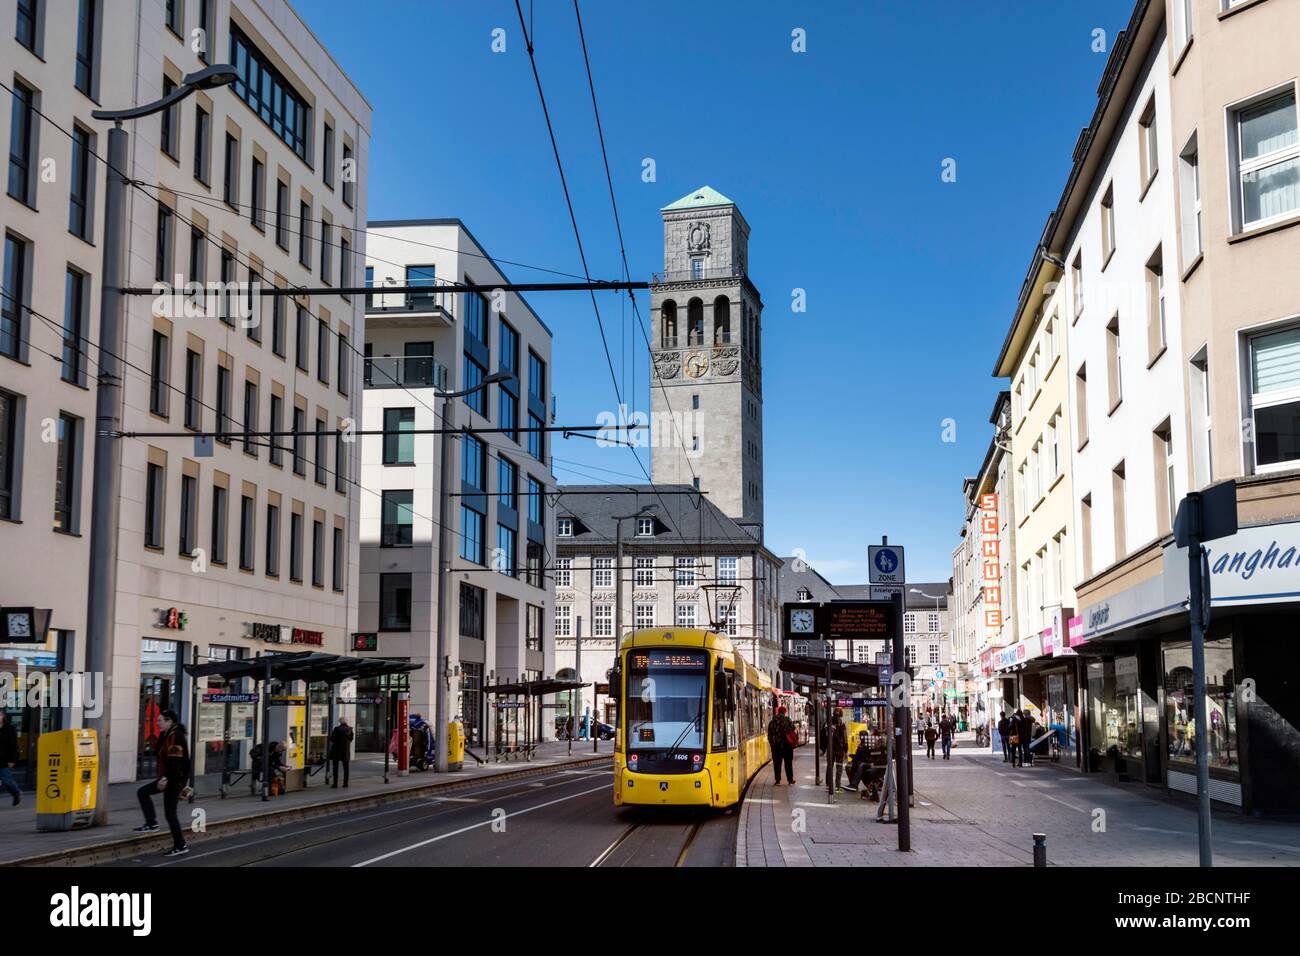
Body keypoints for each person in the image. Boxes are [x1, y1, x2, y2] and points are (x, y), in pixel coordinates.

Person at [134, 709, 190, 856]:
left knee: (170, 814)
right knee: (143, 792)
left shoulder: (176, 736)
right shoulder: (168, 735)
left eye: (160, 720)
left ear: (169, 721)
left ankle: (181, 845)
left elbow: (175, 761)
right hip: (170, 778)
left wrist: (165, 778)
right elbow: (158, 750)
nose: (157, 723)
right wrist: (162, 734)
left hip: (174, 780)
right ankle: (152, 823)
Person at [821, 708, 849, 790]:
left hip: (830, 748)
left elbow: (823, 736)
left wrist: (823, 749)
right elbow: (845, 738)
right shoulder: (842, 724)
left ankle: (828, 785)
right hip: (839, 749)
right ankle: (837, 786)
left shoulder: (827, 723)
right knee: (839, 767)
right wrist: (846, 750)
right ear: (841, 714)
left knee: (829, 766)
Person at [767, 705, 796, 784]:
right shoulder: (787, 720)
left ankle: (777, 780)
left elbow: (769, 734)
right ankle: (790, 780)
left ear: (778, 711)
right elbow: (793, 728)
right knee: (788, 763)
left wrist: (772, 743)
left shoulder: (772, 721)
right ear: (784, 712)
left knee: (777, 763)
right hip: (787, 745)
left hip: (776, 745)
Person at [0, 711, 20, 806]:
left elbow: (13, 745)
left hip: (4, 760)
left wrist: (12, 760)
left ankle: (16, 793)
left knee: (6, 781)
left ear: (3, 716)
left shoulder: (10, 728)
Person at [328, 717, 354, 788]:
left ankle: (335, 783)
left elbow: (332, 739)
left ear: (340, 722)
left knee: (335, 768)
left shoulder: (336, 729)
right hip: (346, 750)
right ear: (346, 722)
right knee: (346, 768)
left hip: (336, 750)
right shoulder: (350, 729)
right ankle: (345, 783)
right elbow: (351, 739)